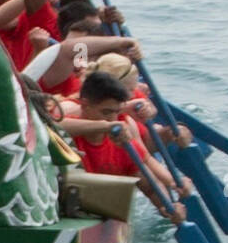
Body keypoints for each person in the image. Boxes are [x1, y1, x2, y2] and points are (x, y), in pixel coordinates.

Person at [60, 71, 185, 221]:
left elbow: (151, 188)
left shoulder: (123, 144)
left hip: (100, 212)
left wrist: (168, 207)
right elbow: (49, 124)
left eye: (117, 112)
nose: (113, 119)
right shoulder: (64, 131)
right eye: (106, 112)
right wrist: (104, 127)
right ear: (85, 105)